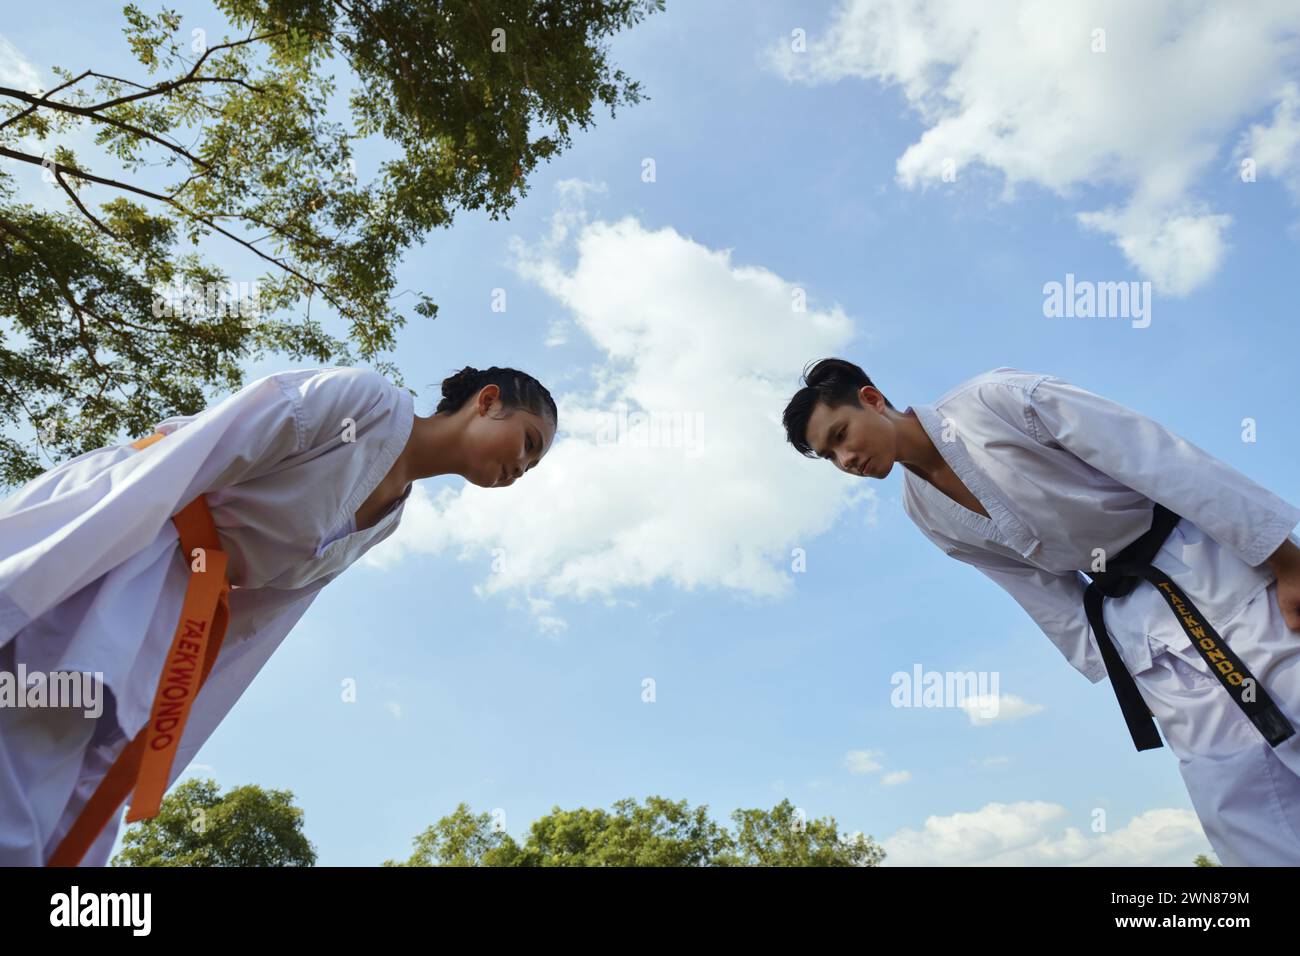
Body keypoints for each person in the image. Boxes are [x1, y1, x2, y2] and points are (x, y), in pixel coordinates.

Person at [0, 363, 557, 866]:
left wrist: (179, 700)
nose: (523, 467)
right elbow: (199, 451)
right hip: (128, 538)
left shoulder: (389, 519)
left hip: (175, 612)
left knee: (87, 783)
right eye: (528, 442)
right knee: (39, 723)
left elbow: (263, 614)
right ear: (486, 401)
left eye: (534, 464)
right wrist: (60, 566)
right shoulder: (365, 400)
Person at [783, 359, 1300, 866]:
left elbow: (1162, 460)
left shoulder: (997, 401)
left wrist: (1286, 562)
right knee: (1234, 800)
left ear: (872, 399)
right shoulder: (922, 510)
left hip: (1208, 566)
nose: (845, 459)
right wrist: (1129, 673)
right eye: (829, 456)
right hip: (1137, 628)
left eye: (841, 434)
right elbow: (1039, 590)